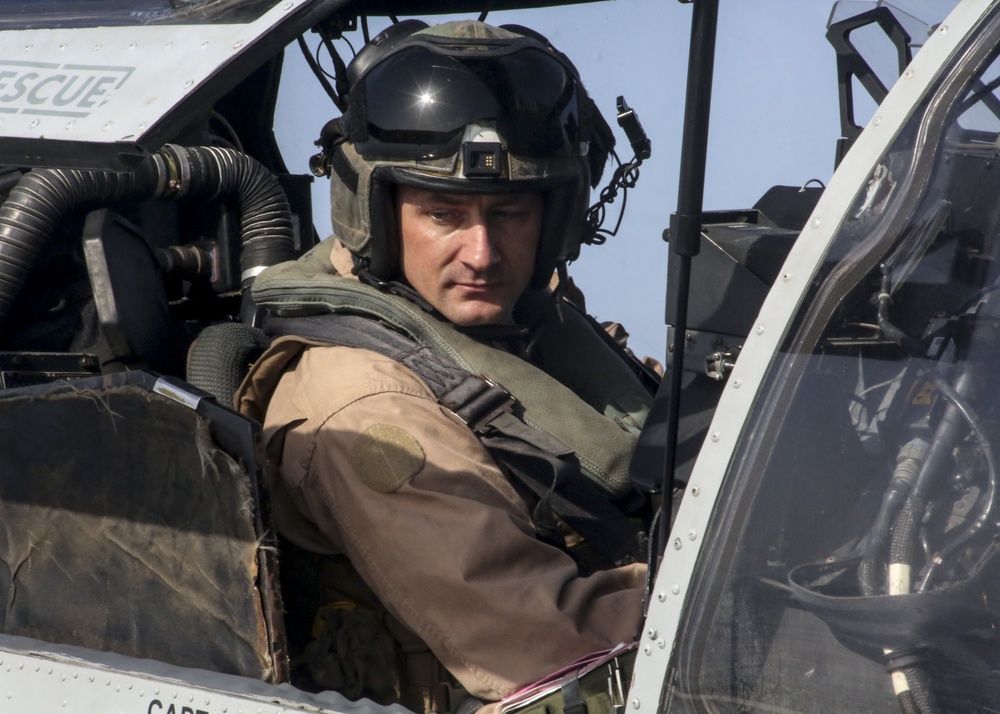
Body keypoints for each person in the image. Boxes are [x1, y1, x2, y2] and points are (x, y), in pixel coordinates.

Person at [236, 19, 659, 713]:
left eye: (511, 213)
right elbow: (550, 649)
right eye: (444, 214)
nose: (483, 253)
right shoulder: (363, 405)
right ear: (372, 209)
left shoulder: (532, 330)